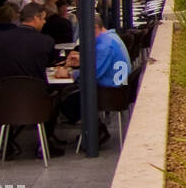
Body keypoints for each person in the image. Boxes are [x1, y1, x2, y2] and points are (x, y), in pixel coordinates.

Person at [0, 2, 63, 158]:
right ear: (36, 18)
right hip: (37, 100)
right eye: (43, 19)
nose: (45, 22)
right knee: (56, 98)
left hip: (5, 100)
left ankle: (7, 144)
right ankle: (44, 144)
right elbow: (52, 62)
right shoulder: (46, 41)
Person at [55, 13, 131, 145]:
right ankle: (96, 128)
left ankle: (96, 130)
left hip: (109, 93)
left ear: (95, 27)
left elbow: (92, 74)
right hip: (118, 88)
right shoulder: (111, 38)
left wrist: (69, 73)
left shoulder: (104, 46)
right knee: (72, 94)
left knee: (67, 102)